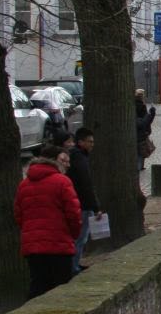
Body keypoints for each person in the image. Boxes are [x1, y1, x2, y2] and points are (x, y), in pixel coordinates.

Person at [15, 143, 82, 299]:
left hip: (33, 245)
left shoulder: (24, 184)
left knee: (38, 284)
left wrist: (30, 233)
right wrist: (72, 235)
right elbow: (73, 213)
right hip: (59, 243)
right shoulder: (62, 181)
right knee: (61, 287)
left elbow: (19, 214)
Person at [66, 127, 101, 275]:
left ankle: (75, 264)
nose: (92, 144)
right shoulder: (80, 159)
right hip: (82, 204)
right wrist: (95, 206)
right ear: (81, 142)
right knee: (80, 237)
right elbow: (86, 184)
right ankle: (73, 267)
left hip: (78, 202)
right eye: (90, 141)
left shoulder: (76, 156)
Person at [135, 89, 156, 172]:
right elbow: (143, 123)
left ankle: (140, 166)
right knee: (141, 151)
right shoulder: (140, 106)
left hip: (142, 133)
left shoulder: (140, 105)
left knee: (141, 151)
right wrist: (150, 115)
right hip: (140, 133)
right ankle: (139, 168)